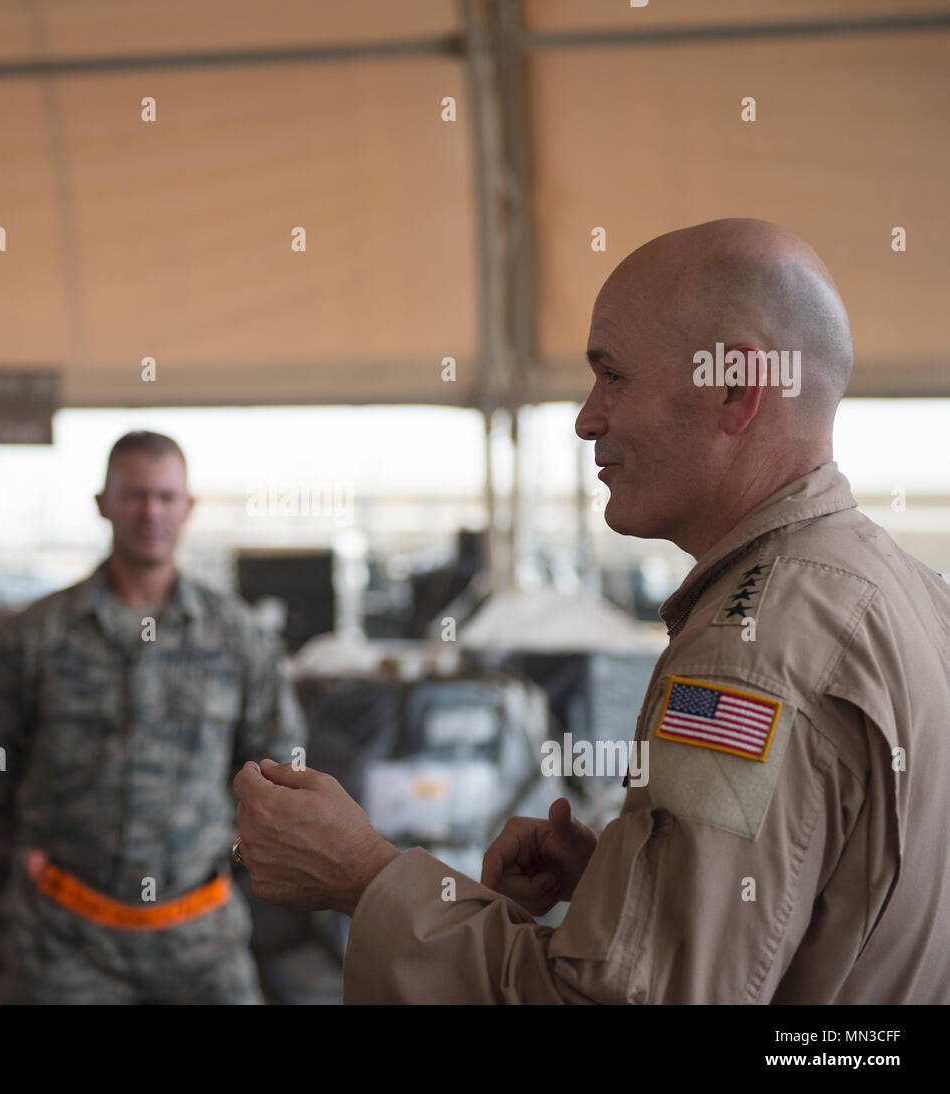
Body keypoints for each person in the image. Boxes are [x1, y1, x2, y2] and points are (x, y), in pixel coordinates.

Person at [232, 218, 950, 1004]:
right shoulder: (907, 595)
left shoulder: (751, 651)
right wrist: (627, 879)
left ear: (737, 388)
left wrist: (365, 877)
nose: (586, 417)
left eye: (614, 376)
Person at [0, 430, 306, 1004]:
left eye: (166, 497)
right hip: (62, 940)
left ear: (188, 507)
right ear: (104, 503)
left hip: (199, 938)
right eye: (135, 495)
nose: (151, 512)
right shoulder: (33, 636)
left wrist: (234, 856)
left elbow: (280, 771)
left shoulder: (238, 637)